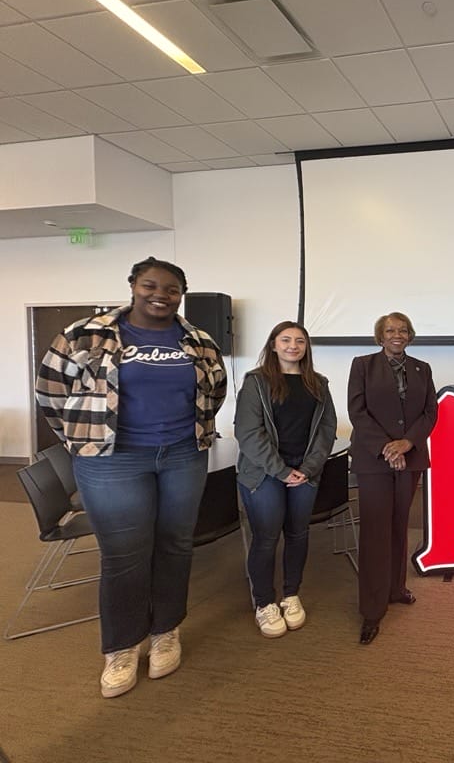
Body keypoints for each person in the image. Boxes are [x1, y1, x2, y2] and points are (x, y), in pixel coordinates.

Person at [35, 257, 226, 699]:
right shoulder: (84, 334)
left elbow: (213, 391)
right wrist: (81, 439)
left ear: (182, 294)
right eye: (150, 285)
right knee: (124, 554)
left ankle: (165, 631)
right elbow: (50, 392)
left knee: (176, 545)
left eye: (171, 289)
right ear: (133, 286)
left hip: (181, 455)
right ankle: (121, 647)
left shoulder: (198, 340)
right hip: (111, 460)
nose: (160, 294)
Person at [235, 321, 337, 638]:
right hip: (265, 471)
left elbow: (327, 430)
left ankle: (291, 595)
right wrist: (281, 470)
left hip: (304, 470)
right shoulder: (256, 382)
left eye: (300, 341)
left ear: (306, 348)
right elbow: (248, 433)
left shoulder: (317, 383)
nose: (293, 345)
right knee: (266, 538)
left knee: (298, 534)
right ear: (274, 344)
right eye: (286, 339)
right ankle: (264, 602)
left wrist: (308, 467)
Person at [348, 312, 437, 645]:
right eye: (390, 330)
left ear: (410, 335)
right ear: (380, 336)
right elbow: (357, 412)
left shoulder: (421, 368)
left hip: (410, 457)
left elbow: (431, 411)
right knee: (375, 530)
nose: (396, 335)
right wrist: (388, 447)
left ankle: (396, 588)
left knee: (400, 525)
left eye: (402, 330)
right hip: (374, 459)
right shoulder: (362, 365)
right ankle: (372, 609)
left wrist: (408, 443)